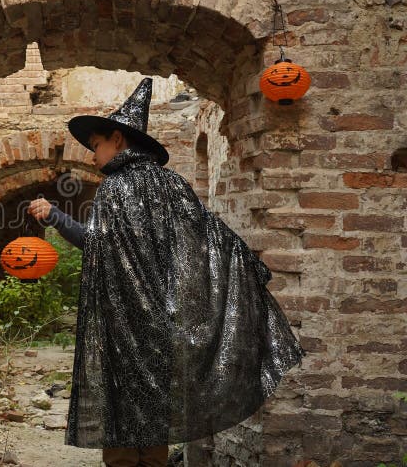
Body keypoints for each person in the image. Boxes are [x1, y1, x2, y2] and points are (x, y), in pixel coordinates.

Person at [27, 78, 304, 467]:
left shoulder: (116, 188)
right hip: (163, 326)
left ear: (118, 142)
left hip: (124, 329)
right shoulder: (172, 184)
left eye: (95, 147)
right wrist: (249, 272)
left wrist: (55, 216)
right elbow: (213, 240)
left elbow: (97, 247)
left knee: (122, 424)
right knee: (154, 417)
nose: (92, 158)